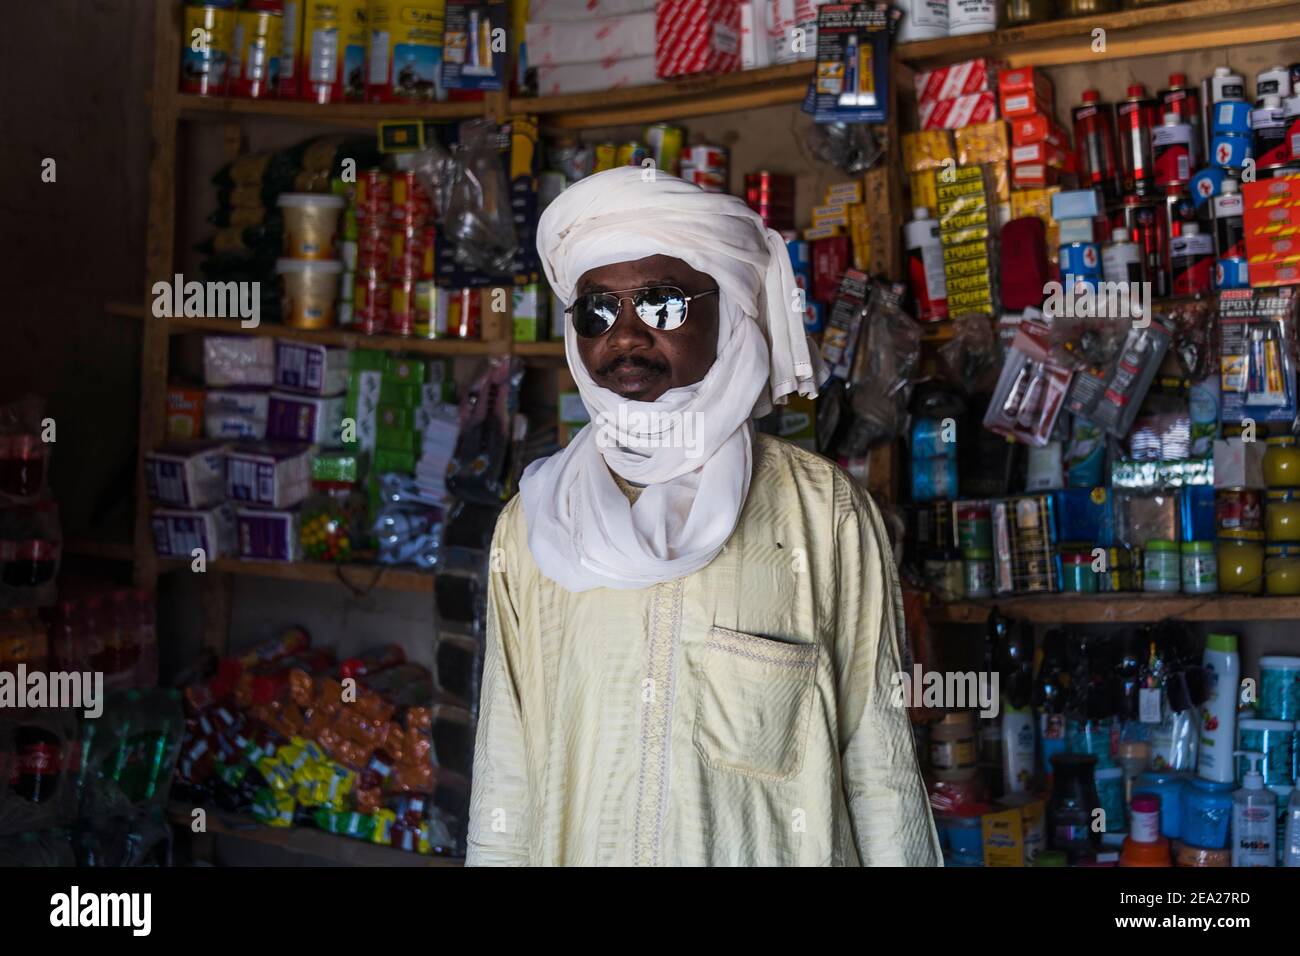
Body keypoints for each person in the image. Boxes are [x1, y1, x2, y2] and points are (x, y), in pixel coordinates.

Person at [466, 167, 940, 866]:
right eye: (596, 312)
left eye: (661, 306)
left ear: (731, 314)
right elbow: (507, 761)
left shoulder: (824, 514)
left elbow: (881, 767)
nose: (624, 337)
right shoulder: (535, 526)